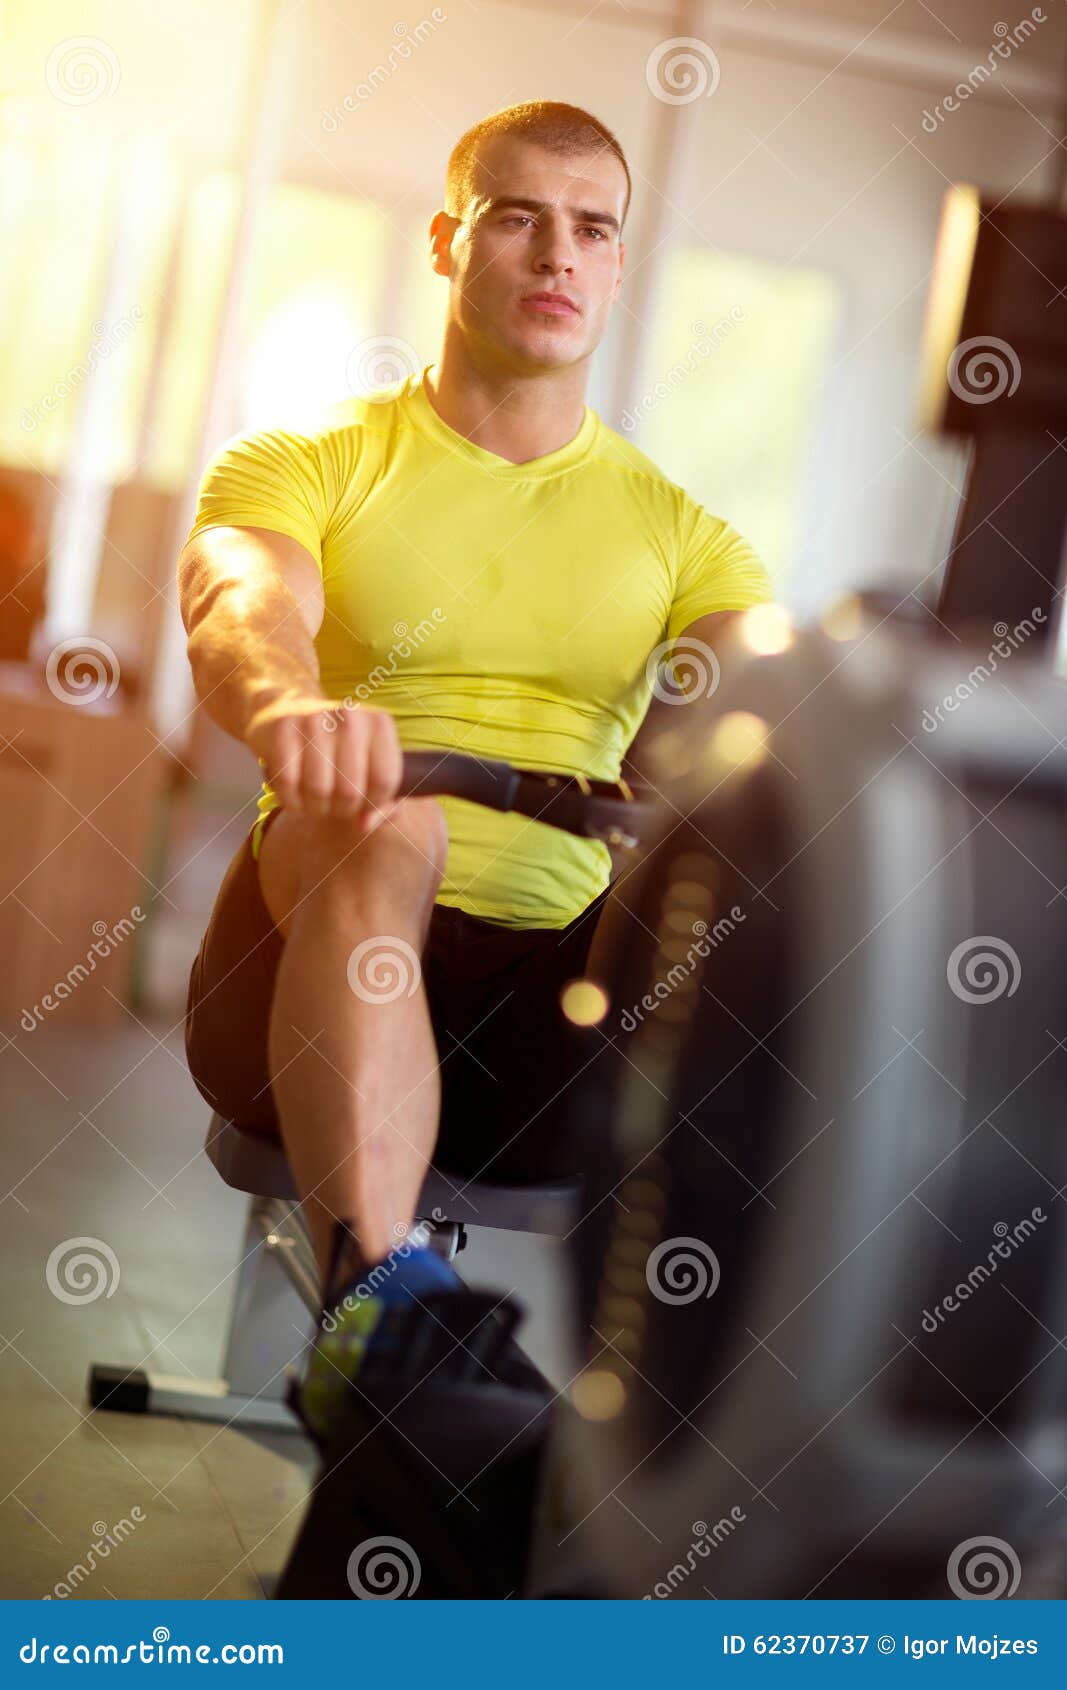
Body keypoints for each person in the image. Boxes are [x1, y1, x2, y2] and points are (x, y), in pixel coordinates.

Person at [179, 99, 773, 1447]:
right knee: (386, 832)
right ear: (449, 242)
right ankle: (378, 1316)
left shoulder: (688, 538)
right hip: (292, 955)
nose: (558, 253)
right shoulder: (308, 460)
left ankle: (713, 1440)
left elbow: (749, 700)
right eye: (519, 216)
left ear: (617, 266)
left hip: (548, 1019)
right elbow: (238, 605)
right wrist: (290, 710)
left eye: (593, 228)